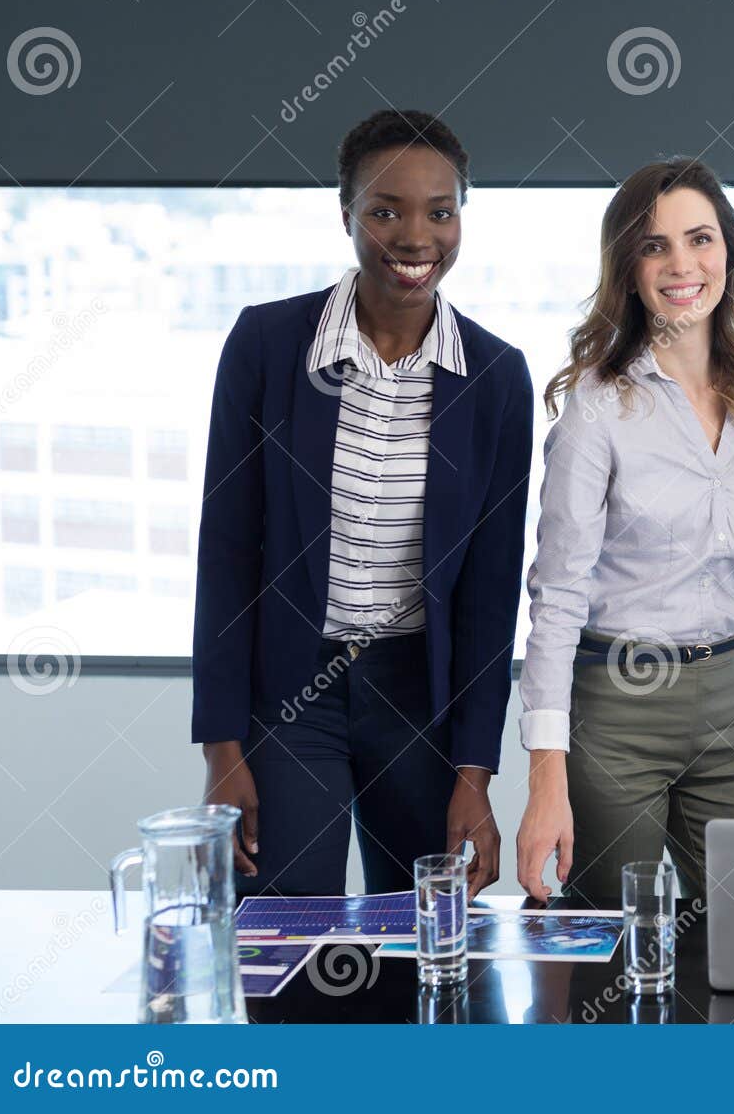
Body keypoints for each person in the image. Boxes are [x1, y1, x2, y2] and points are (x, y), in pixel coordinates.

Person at [195, 109, 531, 900]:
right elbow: (227, 551)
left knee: (422, 941)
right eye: (385, 211)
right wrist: (221, 746)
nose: (416, 236)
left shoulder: (495, 378)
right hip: (292, 691)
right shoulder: (269, 346)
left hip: (419, 699)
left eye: (440, 211)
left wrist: (475, 774)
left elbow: (490, 595)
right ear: (345, 214)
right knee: (282, 930)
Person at [514, 158, 734, 903]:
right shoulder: (596, 408)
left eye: (700, 239)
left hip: (730, 697)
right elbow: (557, 595)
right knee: (615, 948)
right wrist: (545, 777)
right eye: (655, 246)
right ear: (628, 266)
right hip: (616, 701)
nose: (682, 264)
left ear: (729, 251)